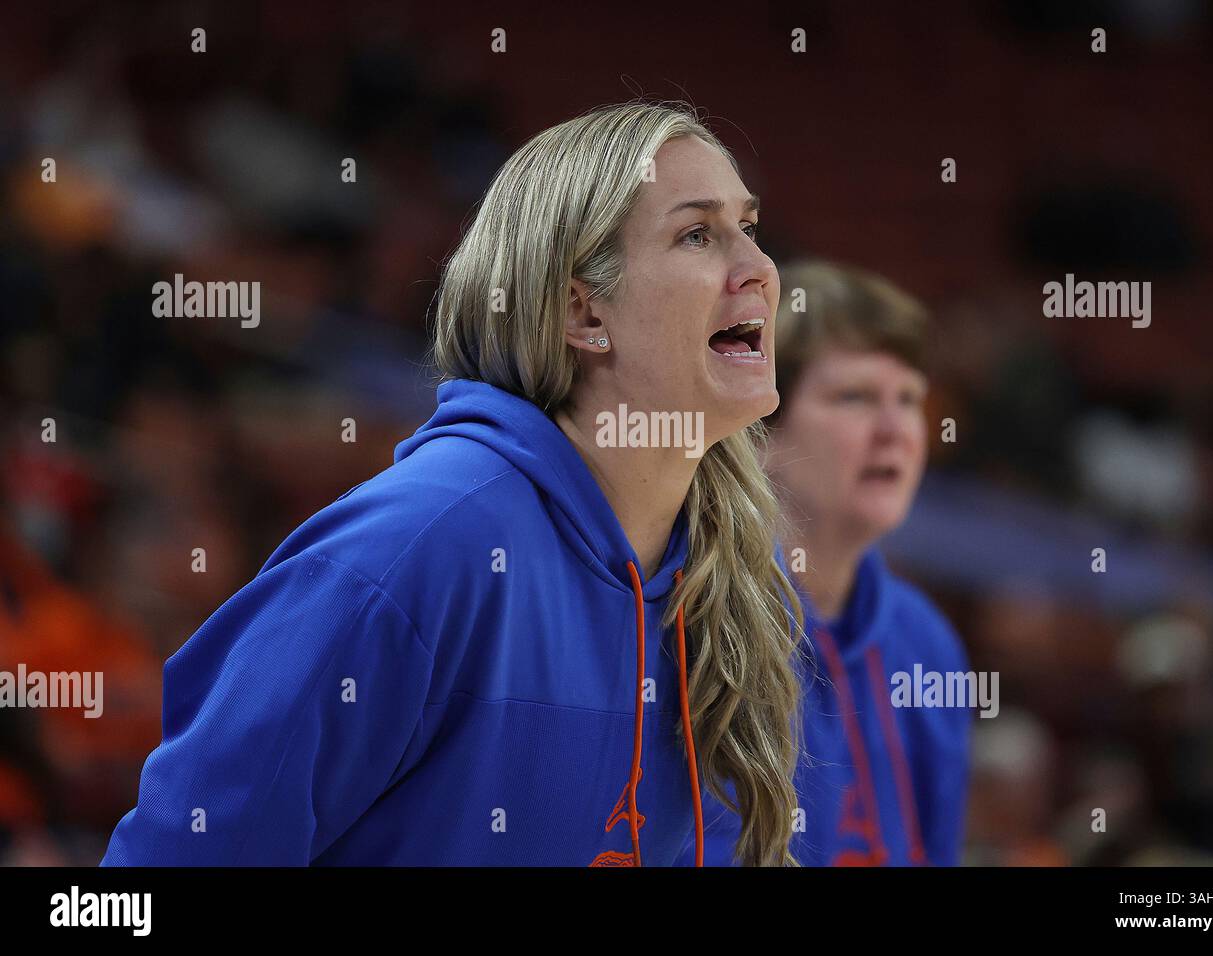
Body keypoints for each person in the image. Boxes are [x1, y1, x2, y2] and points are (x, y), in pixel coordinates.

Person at [100, 101, 807, 867]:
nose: (760, 270)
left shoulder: (731, 576)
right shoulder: (418, 548)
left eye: (751, 229)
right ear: (581, 309)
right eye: (698, 234)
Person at [677, 260, 973, 866]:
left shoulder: (928, 643)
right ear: (758, 430)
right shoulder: (689, 616)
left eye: (910, 398)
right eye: (855, 397)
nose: (896, 430)